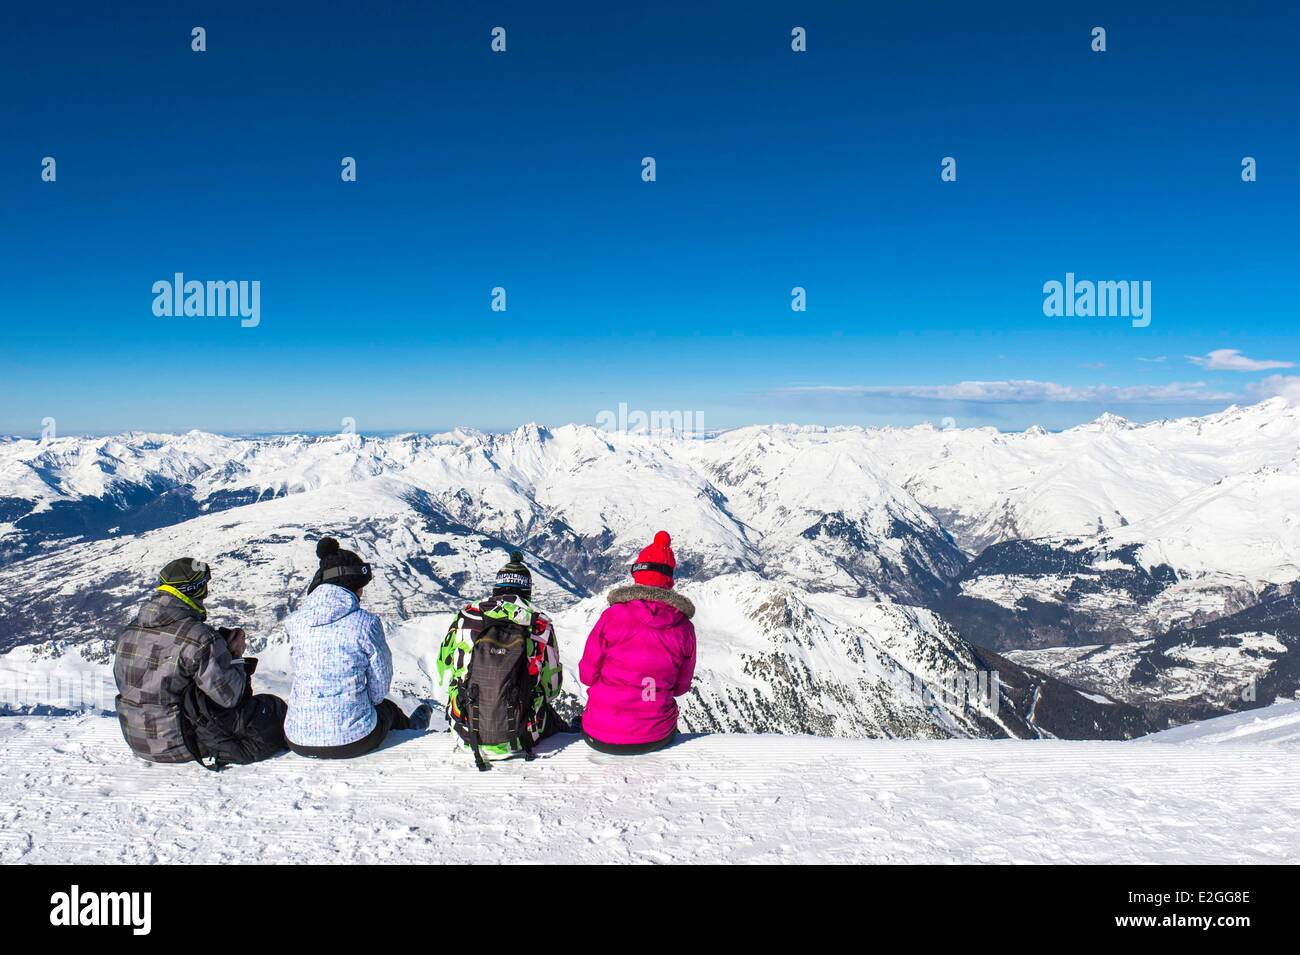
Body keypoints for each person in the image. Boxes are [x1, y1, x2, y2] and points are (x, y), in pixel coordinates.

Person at [113, 558, 287, 768]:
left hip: (137, 740)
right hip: (179, 744)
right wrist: (235, 656)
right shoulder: (199, 638)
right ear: (195, 590)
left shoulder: (129, 632)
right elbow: (231, 697)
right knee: (271, 708)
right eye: (204, 587)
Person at [284, 538, 430, 759]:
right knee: (388, 710)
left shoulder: (295, 622)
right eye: (361, 587)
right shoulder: (365, 623)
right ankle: (413, 729)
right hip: (353, 740)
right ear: (352, 585)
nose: (362, 593)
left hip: (297, 739)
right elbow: (380, 682)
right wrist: (364, 704)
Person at [438, 550, 564, 768]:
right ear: (528, 590)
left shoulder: (466, 617)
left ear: (496, 587)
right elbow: (552, 687)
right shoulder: (540, 625)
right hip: (522, 736)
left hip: (466, 733)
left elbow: (444, 673)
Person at [579, 531, 696, 755]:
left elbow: (586, 675)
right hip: (656, 736)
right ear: (669, 579)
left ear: (638, 574)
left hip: (599, 734)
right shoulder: (683, 627)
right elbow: (681, 687)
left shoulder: (612, 616)